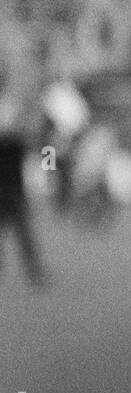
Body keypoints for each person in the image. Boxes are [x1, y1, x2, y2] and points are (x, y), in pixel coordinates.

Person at [0, 78, 49, 287]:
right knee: (23, 231)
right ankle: (34, 271)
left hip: (12, 183)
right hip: (10, 184)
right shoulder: (12, 107)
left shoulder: (12, 107)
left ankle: (34, 270)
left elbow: (27, 135)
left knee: (24, 231)